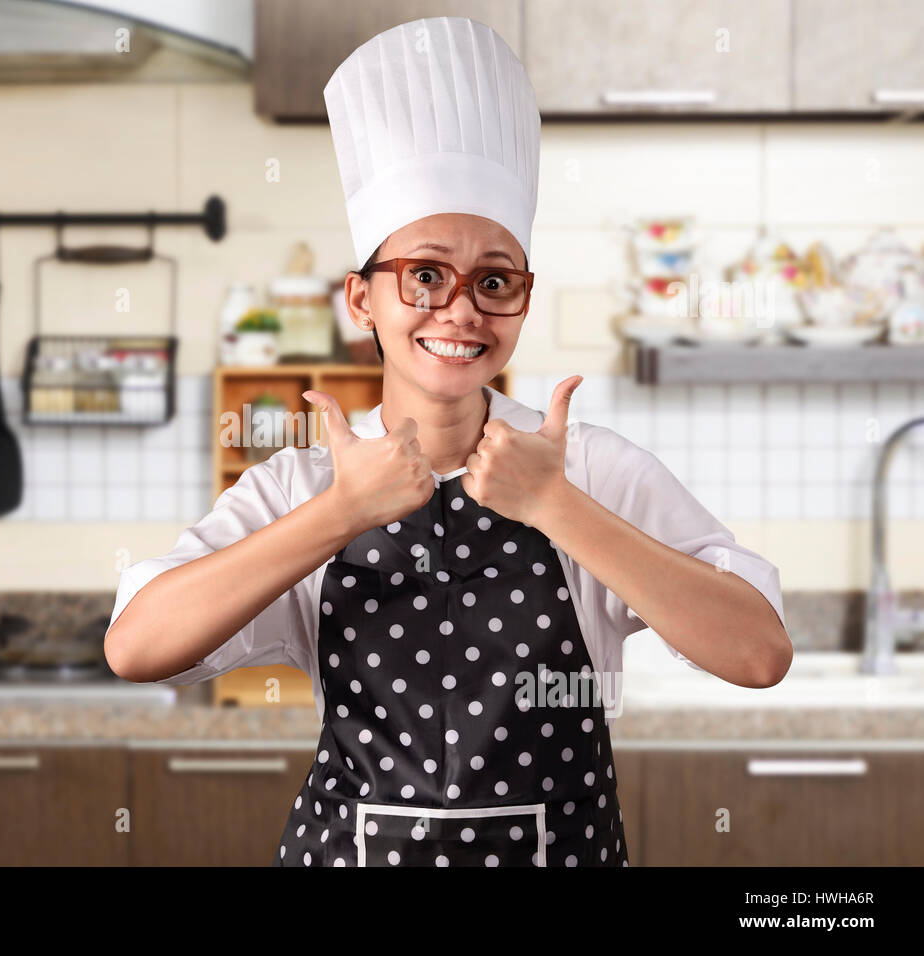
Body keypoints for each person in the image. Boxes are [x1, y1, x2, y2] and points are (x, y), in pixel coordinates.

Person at [104, 16, 790, 867]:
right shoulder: (301, 486)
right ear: (361, 301)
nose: (460, 309)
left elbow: (758, 653)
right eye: (424, 274)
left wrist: (556, 507)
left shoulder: (589, 471)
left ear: (522, 302)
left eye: (494, 281)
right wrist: (340, 513)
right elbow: (137, 647)